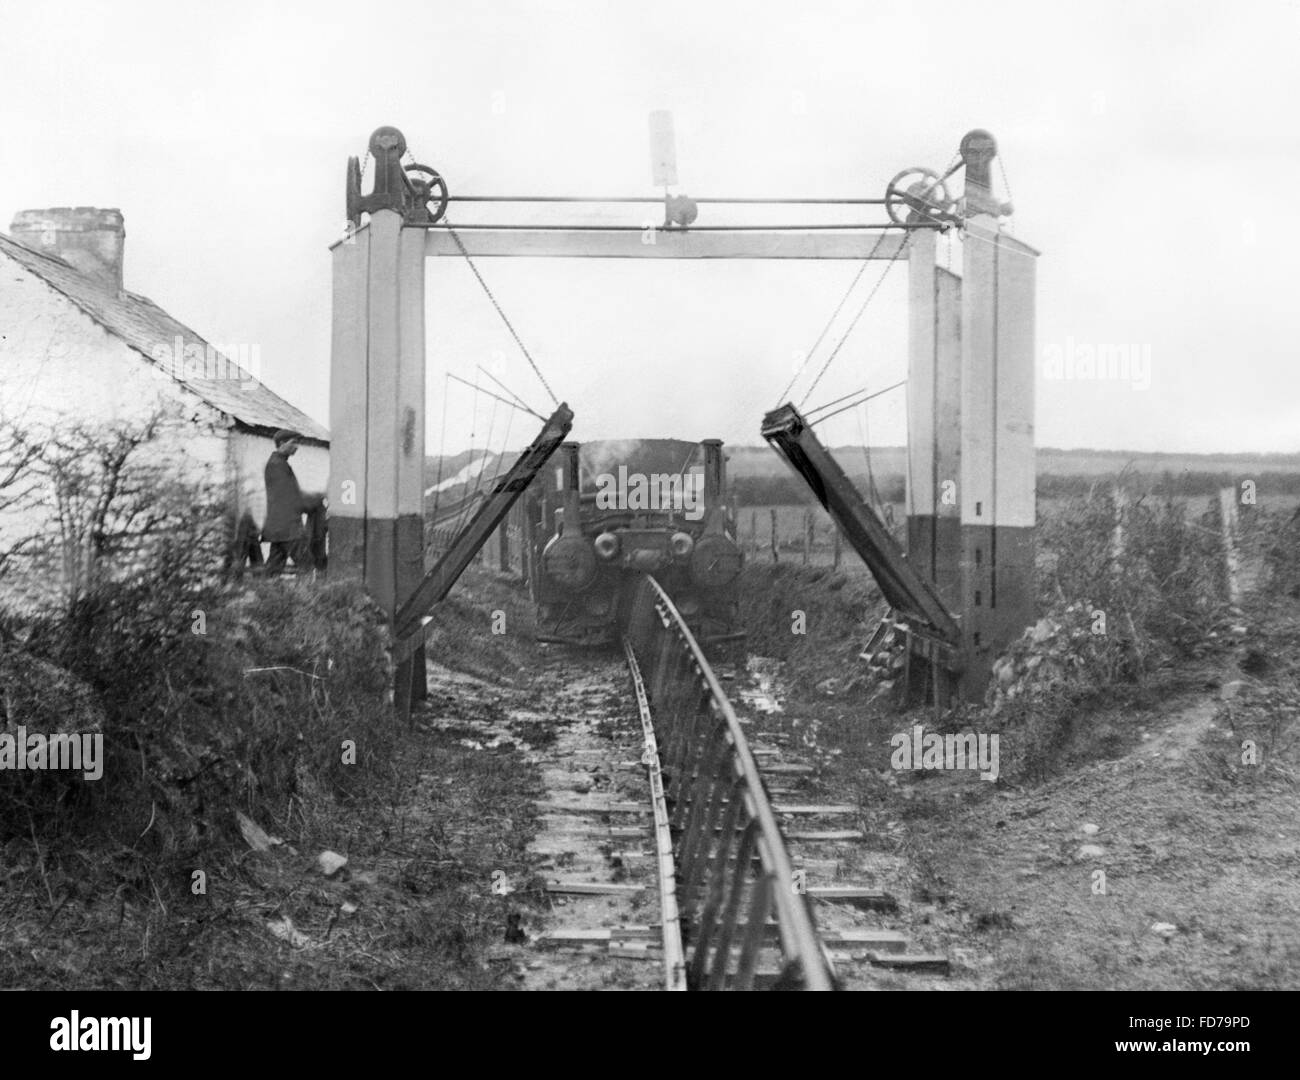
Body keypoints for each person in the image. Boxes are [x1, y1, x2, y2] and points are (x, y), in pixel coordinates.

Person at [262, 429, 325, 576]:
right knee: (307, 567)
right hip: (289, 527)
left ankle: (266, 596)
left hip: (278, 527)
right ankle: (308, 597)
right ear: (282, 443)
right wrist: (316, 501)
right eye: (293, 442)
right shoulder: (277, 465)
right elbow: (290, 497)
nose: (296, 446)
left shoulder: (278, 463)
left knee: (273, 569)